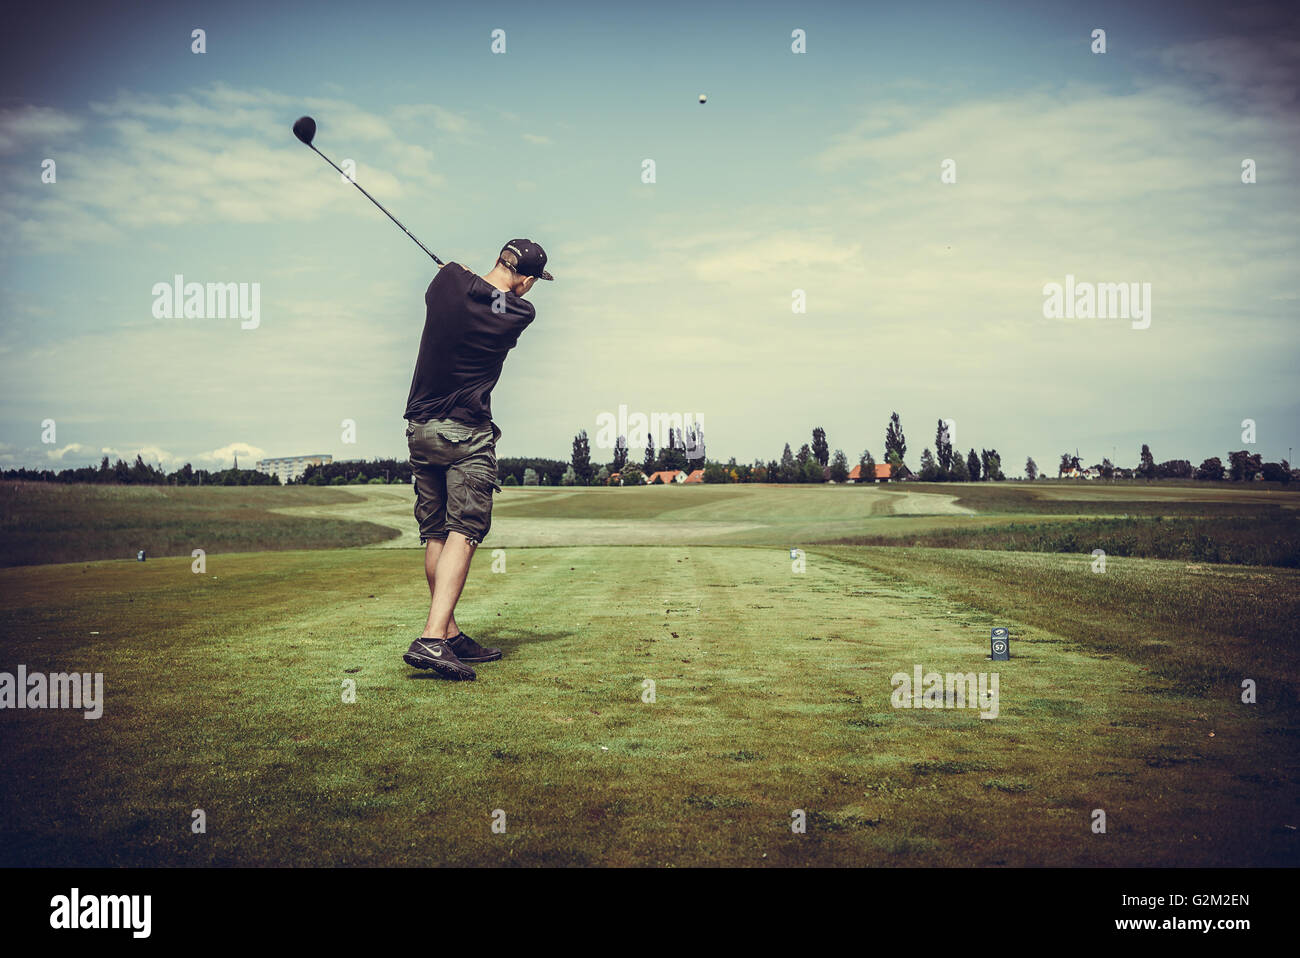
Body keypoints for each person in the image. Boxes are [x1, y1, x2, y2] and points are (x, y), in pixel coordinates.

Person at [401, 239, 552, 680]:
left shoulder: (447, 281)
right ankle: (431, 638)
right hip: (465, 433)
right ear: (524, 279)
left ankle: (447, 632)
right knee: (463, 531)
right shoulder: (520, 313)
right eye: (532, 282)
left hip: (419, 429)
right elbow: (498, 302)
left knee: (435, 534)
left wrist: (459, 271)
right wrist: (465, 275)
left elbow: (458, 287)